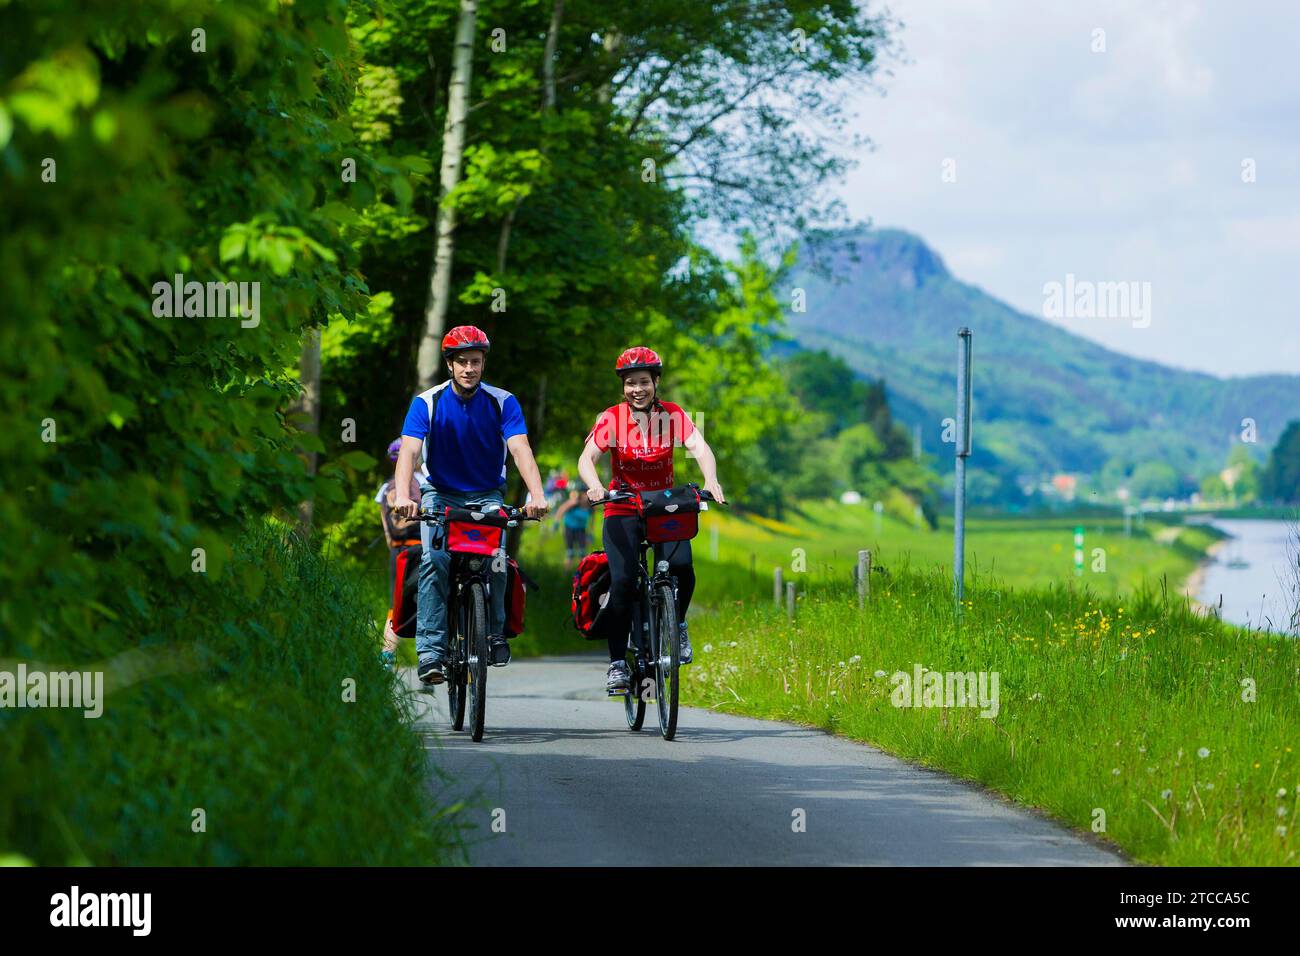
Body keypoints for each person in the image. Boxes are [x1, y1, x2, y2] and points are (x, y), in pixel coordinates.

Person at [391, 325, 548, 685]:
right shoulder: (426, 402)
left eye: (475, 361)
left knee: (496, 560)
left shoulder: (503, 401)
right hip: (439, 495)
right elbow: (410, 451)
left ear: (483, 363)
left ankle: (493, 635)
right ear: (449, 364)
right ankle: (431, 651)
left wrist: (536, 496)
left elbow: (520, 448)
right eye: (461, 362)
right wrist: (403, 495)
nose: (469, 369)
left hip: (486, 496)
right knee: (435, 559)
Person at [576, 346, 726, 694]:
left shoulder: (673, 415)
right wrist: (595, 486)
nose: (637, 389)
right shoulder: (611, 418)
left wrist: (711, 480)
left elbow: (700, 448)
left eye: (644, 381)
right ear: (623, 387)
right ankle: (617, 664)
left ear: (656, 382)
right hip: (623, 506)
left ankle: (679, 623)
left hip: (662, 506)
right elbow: (587, 458)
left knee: (683, 569)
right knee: (623, 582)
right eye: (630, 383)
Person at [376, 438, 423, 670]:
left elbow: (385, 523)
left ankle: (386, 654)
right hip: (421, 548)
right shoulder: (422, 482)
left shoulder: (386, 487)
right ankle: (429, 655)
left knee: (396, 602)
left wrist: (392, 545)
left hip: (396, 549)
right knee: (429, 597)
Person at [552, 480, 593, 570]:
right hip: (569, 529)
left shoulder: (590, 506)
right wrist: (556, 523)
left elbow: (591, 521)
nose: (586, 496)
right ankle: (566, 574)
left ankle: (582, 574)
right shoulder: (575, 503)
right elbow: (562, 509)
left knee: (582, 553)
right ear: (581, 494)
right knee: (570, 553)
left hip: (581, 530)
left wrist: (590, 533)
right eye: (584, 493)